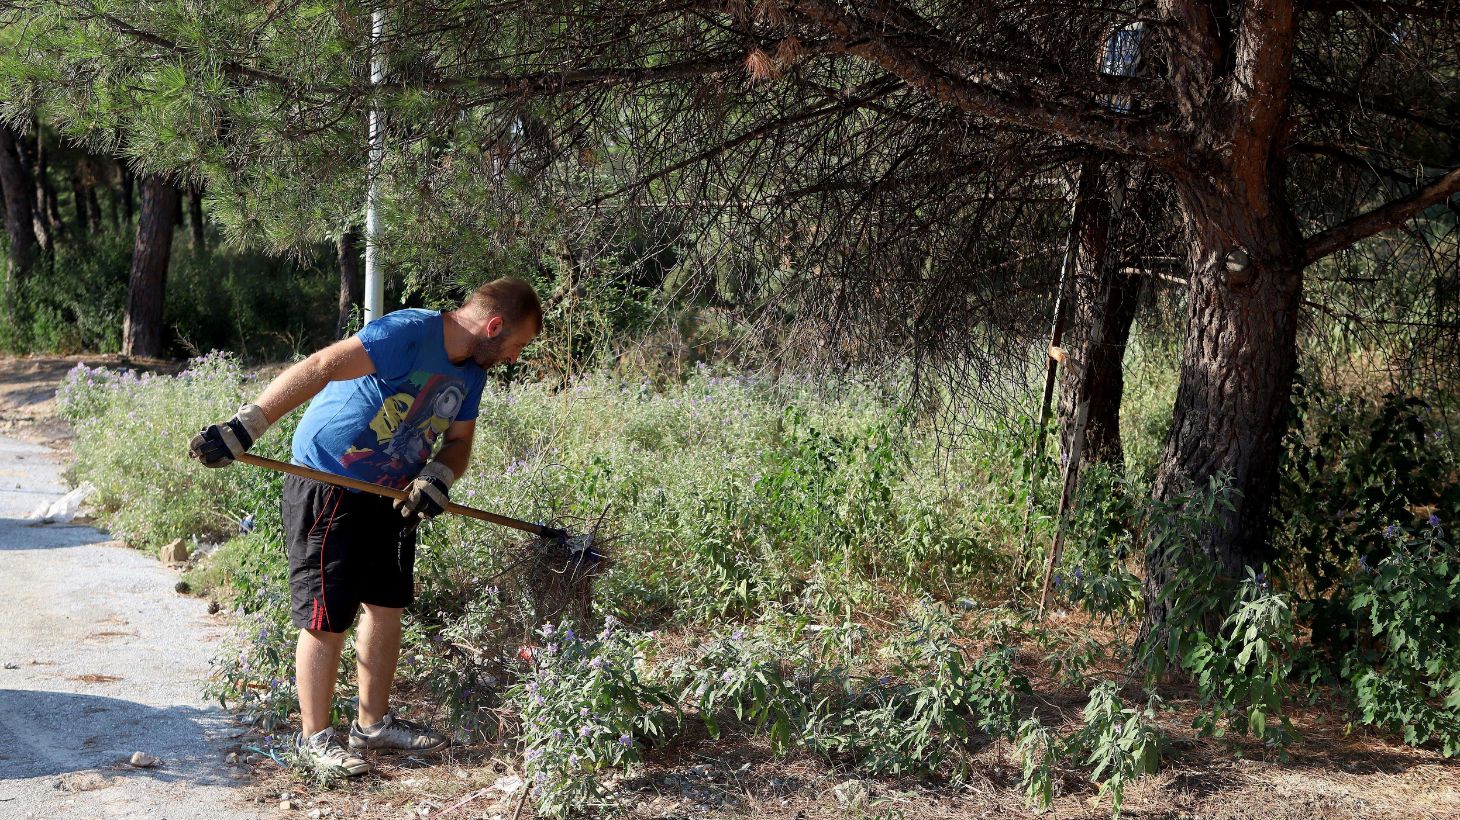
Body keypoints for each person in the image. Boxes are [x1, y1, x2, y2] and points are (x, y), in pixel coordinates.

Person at [188, 277, 542, 777]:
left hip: (394, 497)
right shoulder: (410, 332)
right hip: (330, 483)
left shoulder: (472, 374)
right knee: (326, 615)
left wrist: (439, 475)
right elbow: (323, 365)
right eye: (517, 345)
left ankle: (372, 725)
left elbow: (458, 442)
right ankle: (314, 740)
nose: (514, 357)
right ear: (495, 325)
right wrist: (249, 425)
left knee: (386, 606)